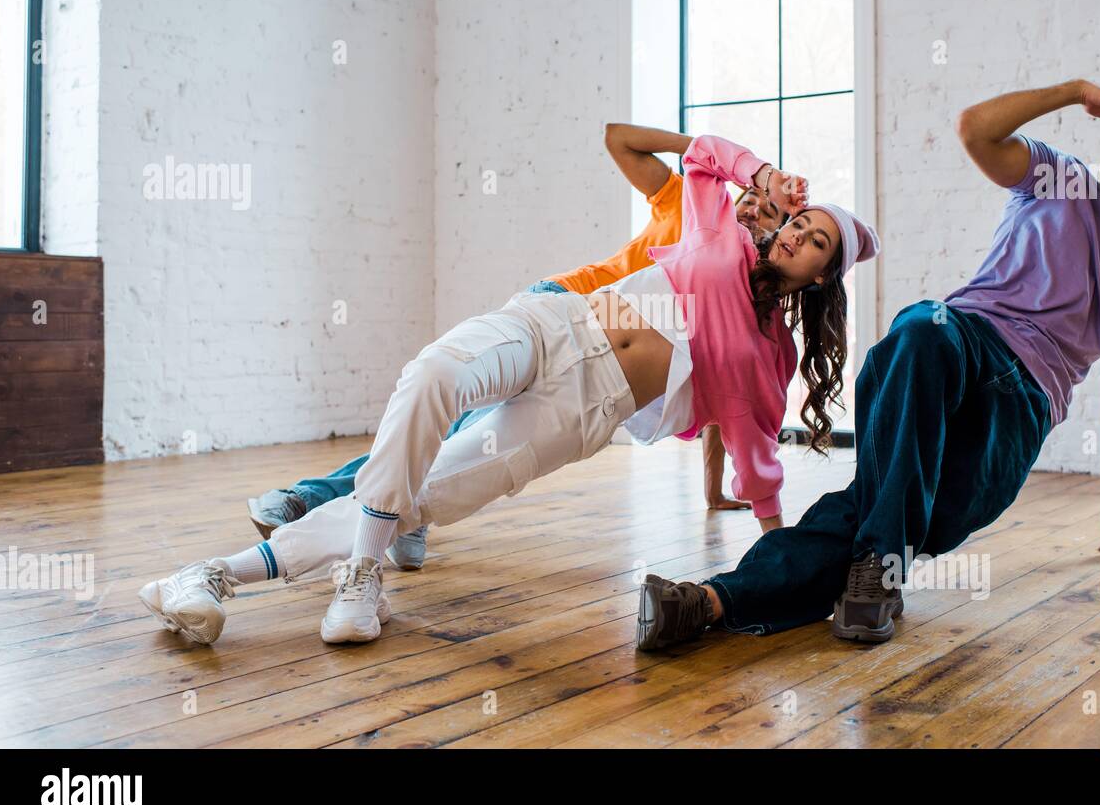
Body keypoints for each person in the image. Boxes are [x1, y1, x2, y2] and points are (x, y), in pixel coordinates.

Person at [138, 130, 880, 645]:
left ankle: (209, 575)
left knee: (424, 498)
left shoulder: (770, 354)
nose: (794, 235)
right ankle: (362, 574)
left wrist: (783, 561)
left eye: (815, 241)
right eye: (799, 222)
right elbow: (701, 153)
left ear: (822, 276)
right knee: (430, 373)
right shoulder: (722, 229)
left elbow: (758, 468)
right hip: (556, 323)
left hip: (583, 409)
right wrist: (761, 177)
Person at [636, 80, 1100, 649]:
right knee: (922, 327)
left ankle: (706, 603)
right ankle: (880, 568)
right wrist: (1075, 91)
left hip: (1021, 411)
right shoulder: (1062, 180)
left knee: (879, 511)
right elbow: (975, 128)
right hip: (966, 340)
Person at [245, 123, 792, 570]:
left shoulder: (737, 282)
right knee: (453, 412)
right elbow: (617, 137)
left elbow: (722, 386)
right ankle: (318, 501)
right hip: (565, 306)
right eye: (751, 200)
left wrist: (714, 491)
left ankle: (399, 517)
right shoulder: (688, 205)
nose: (753, 210)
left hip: (603, 367)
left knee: (472, 439)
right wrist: (744, 164)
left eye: (769, 214)